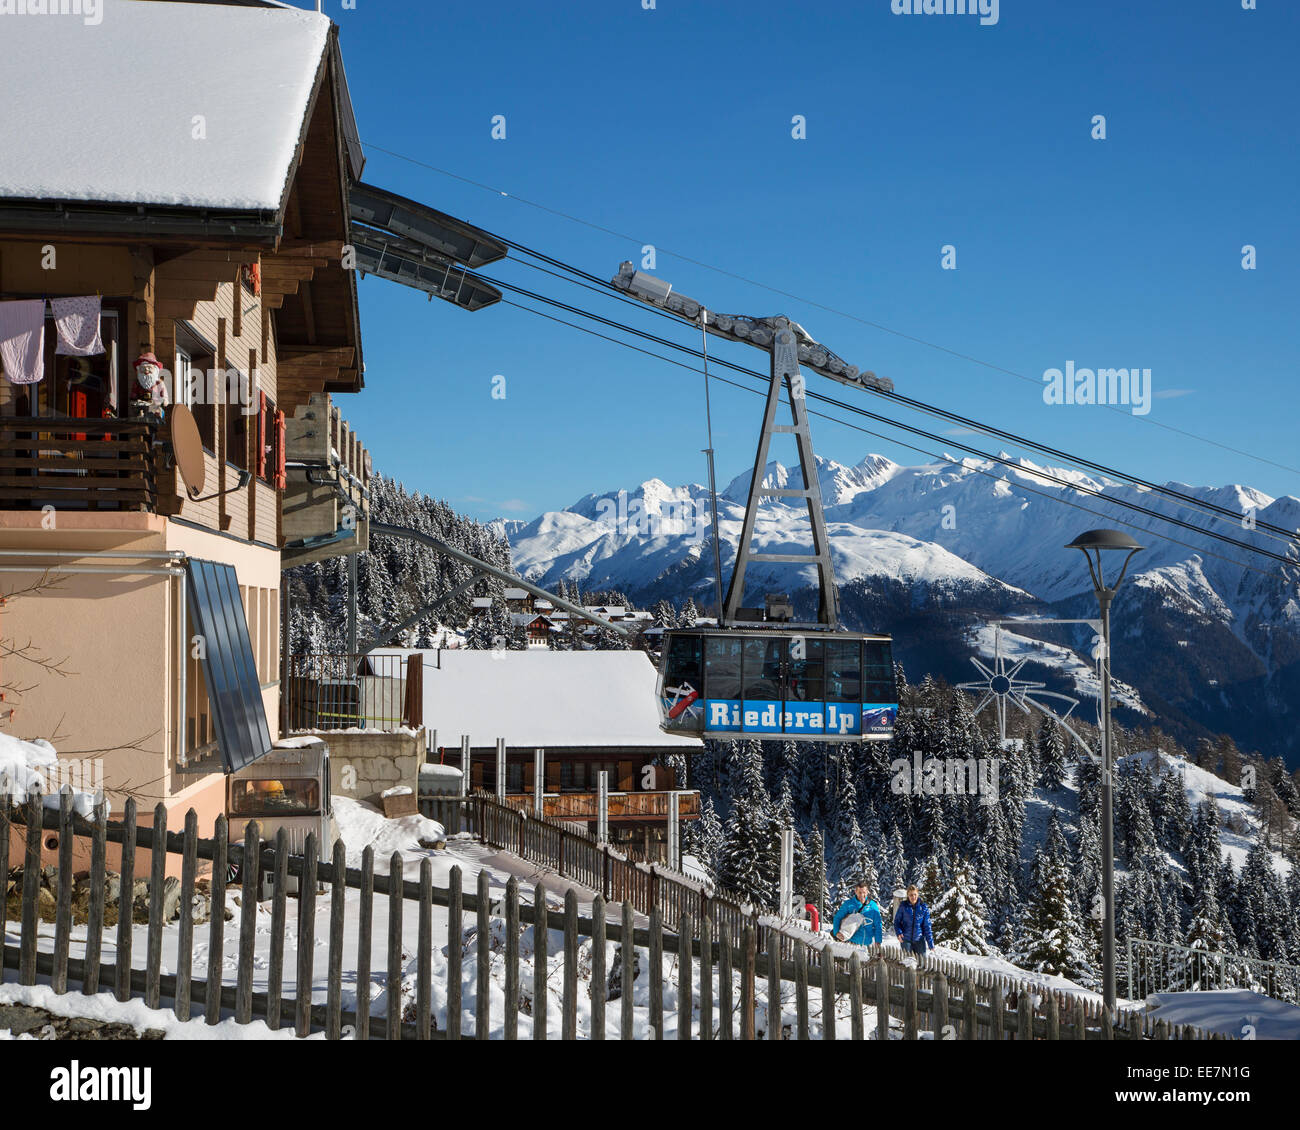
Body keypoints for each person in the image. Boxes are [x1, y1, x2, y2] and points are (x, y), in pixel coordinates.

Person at [831, 879, 883, 946]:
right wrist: (836, 932)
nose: (862, 895)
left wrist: (878, 940)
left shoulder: (873, 906)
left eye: (864, 892)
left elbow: (878, 924)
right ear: (855, 892)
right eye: (859, 892)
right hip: (851, 942)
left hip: (867, 944)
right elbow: (837, 918)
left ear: (867, 892)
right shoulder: (849, 904)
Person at [893, 884, 934, 956]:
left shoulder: (923, 908)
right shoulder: (903, 906)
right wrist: (899, 933)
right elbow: (897, 921)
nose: (913, 897)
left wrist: (930, 943)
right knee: (908, 963)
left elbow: (927, 926)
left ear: (918, 894)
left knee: (922, 963)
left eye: (915, 894)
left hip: (919, 940)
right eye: (911, 895)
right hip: (906, 939)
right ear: (908, 896)